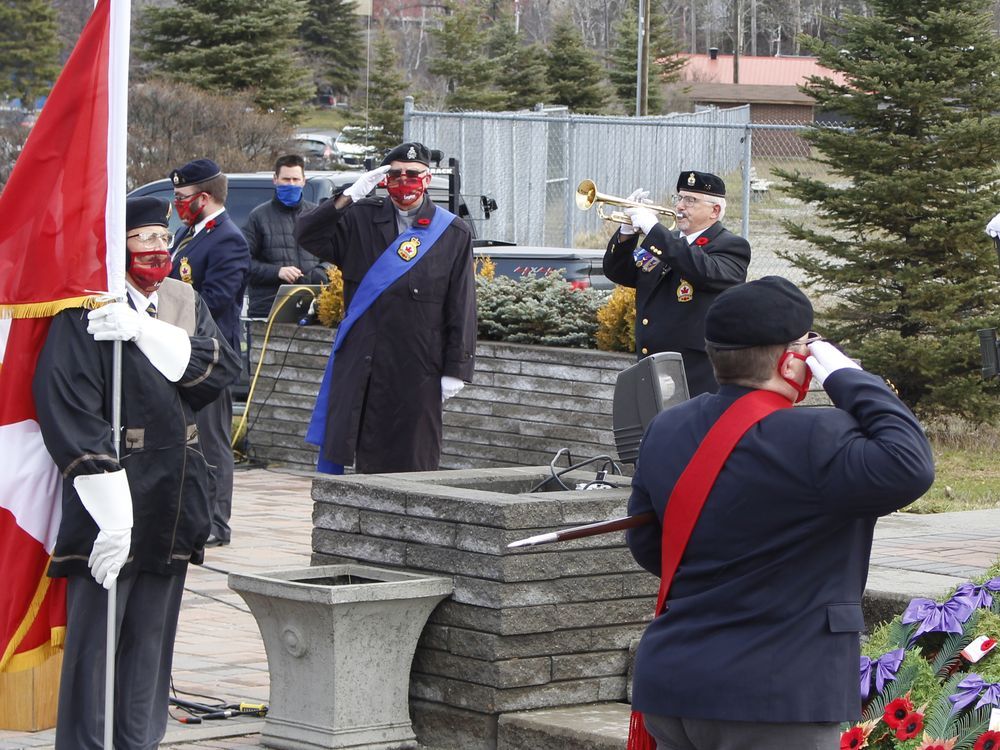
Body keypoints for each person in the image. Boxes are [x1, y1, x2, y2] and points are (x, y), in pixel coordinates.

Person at [624, 276, 935, 750]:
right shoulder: (819, 436)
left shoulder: (668, 427)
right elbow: (911, 464)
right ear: (794, 363)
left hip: (674, 685)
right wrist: (847, 374)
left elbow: (650, 545)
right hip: (778, 694)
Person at [33, 196, 241, 750]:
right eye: (141, 237)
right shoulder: (82, 311)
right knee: (96, 649)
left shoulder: (179, 300)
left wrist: (147, 333)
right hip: (111, 501)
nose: (156, 247)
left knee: (151, 643)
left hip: (173, 497)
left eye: (161, 236)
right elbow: (70, 415)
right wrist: (112, 513)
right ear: (113, 245)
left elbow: (219, 374)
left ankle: (138, 742)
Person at [294, 141, 476, 474]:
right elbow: (306, 234)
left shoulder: (452, 231)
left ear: (428, 177)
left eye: (413, 174)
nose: (404, 181)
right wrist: (350, 195)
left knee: (414, 466)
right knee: (358, 463)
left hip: (418, 369)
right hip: (365, 362)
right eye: (396, 175)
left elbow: (461, 304)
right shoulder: (360, 217)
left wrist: (457, 369)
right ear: (382, 179)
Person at [603, 170, 750, 397]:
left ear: (715, 210)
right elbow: (619, 273)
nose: (680, 206)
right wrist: (626, 234)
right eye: (679, 198)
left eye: (690, 200)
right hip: (651, 366)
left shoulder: (731, 246)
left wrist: (654, 230)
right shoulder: (665, 245)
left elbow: (703, 271)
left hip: (695, 374)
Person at [168, 158, 249, 545]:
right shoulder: (189, 233)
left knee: (213, 442)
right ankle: (192, 515)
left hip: (210, 355)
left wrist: (166, 311)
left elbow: (216, 299)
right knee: (187, 439)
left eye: (182, 197)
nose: (177, 203)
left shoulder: (227, 238)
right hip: (181, 351)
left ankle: (217, 522)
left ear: (204, 197)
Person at [245, 154, 329, 318]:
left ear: (304, 181)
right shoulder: (258, 217)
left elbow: (334, 257)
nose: (291, 184)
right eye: (286, 179)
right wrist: (277, 271)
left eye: (296, 179)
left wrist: (316, 275)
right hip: (269, 310)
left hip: (313, 307)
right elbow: (243, 264)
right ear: (275, 179)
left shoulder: (316, 215)